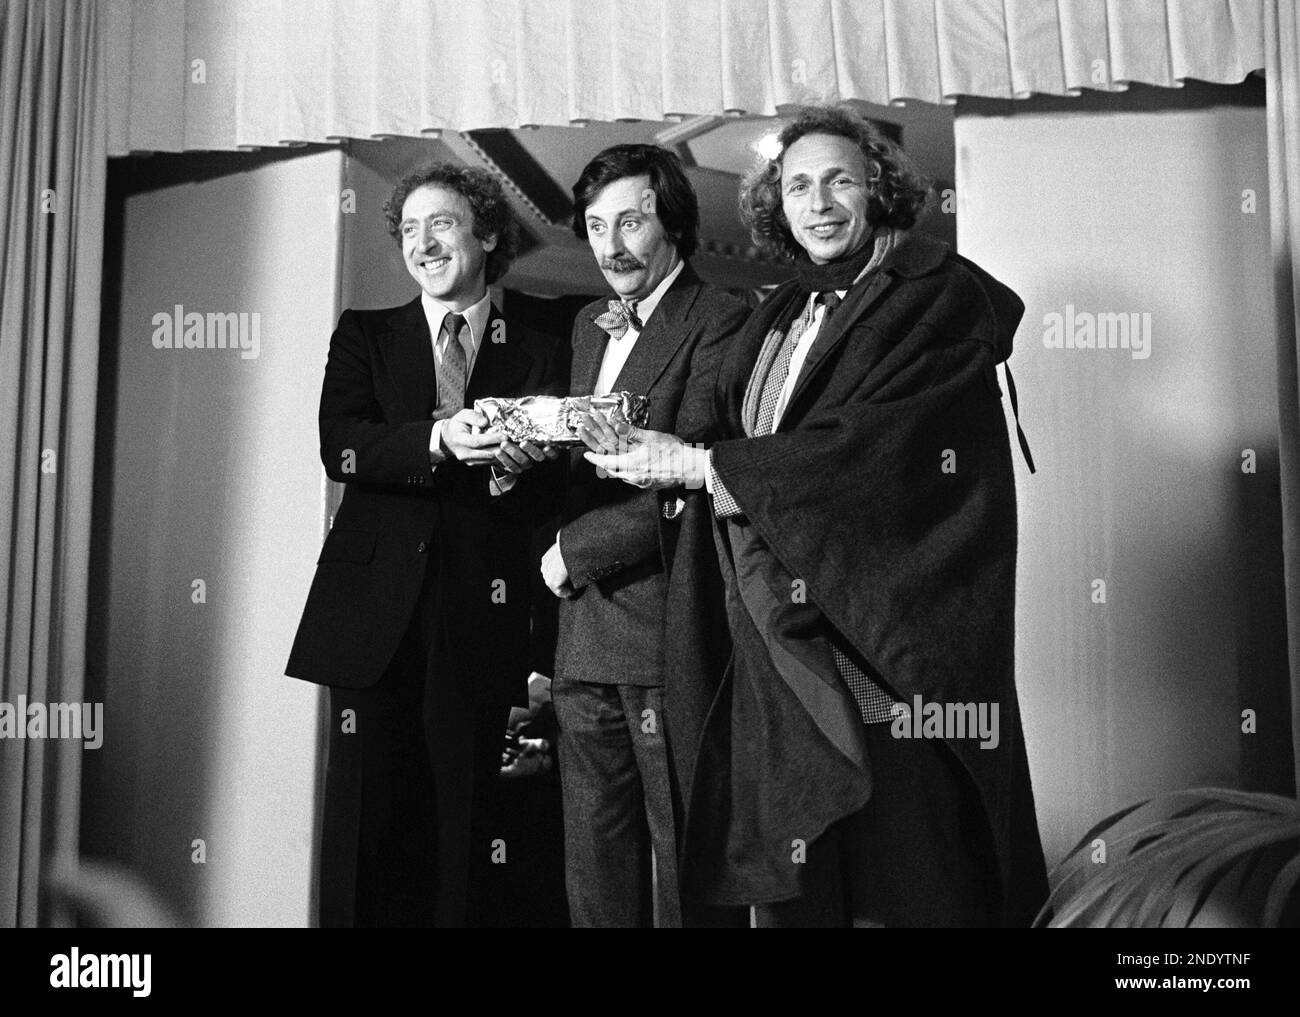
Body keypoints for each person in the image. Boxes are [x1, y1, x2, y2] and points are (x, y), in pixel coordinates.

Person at [586, 105, 1049, 927]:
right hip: (781, 642)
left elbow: (878, 450)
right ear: (777, 204)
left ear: (879, 188)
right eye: (798, 185)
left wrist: (702, 466)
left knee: (913, 878)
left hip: (886, 641)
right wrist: (654, 444)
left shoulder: (933, 295)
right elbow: (727, 426)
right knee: (807, 881)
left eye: (840, 179)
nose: (819, 201)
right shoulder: (774, 313)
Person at [285, 161, 567, 927]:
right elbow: (341, 446)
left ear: (485, 233)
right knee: (370, 820)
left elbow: (563, 483)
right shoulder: (365, 334)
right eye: (408, 228)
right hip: (374, 615)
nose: (422, 241)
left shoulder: (546, 336)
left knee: (474, 823)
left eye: (439, 222)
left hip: (490, 611)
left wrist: (516, 473)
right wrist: (440, 440)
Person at [539, 144, 748, 927]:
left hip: (667, 629)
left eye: (630, 220)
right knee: (595, 864)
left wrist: (572, 553)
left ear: (675, 223)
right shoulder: (587, 327)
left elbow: (690, 478)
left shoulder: (722, 318)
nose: (609, 245)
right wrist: (520, 463)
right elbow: (584, 469)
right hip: (581, 636)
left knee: (685, 865)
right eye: (595, 226)